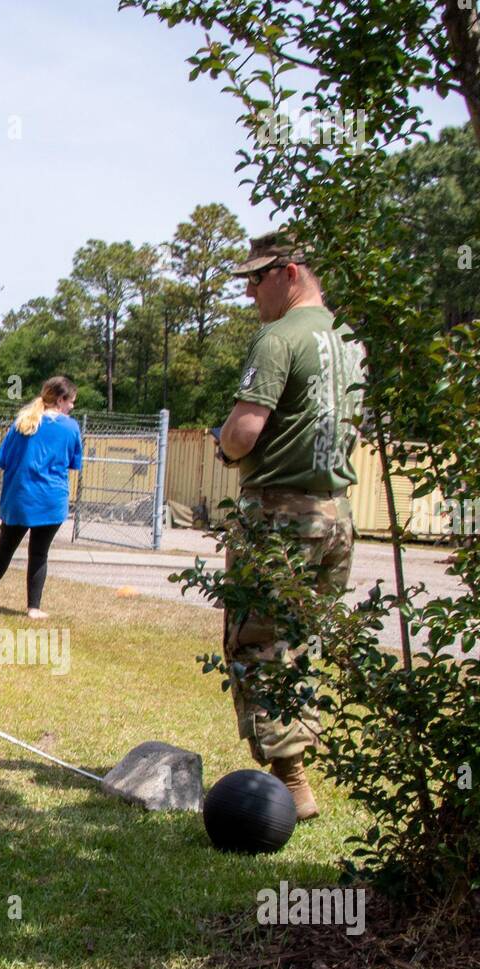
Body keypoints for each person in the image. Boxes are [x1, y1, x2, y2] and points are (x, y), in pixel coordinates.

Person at [217, 231, 366, 820]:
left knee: (260, 645)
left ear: (291, 272)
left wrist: (225, 446)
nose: (250, 291)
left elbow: (243, 432)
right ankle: (295, 771)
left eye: (257, 278)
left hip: (280, 517)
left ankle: (292, 785)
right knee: (302, 644)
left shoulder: (278, 337)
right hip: (336, 516)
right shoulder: (350, 341)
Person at [0, 375, 83, 619]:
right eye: (71, 401)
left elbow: (3, 460)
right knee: (39, 553)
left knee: (5, 548)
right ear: (61, 399)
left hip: (20, 497)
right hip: (51, 499)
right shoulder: (70, 427)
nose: (72, 406)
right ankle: (33, 608)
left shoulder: (23, 421)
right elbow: (73, 463)